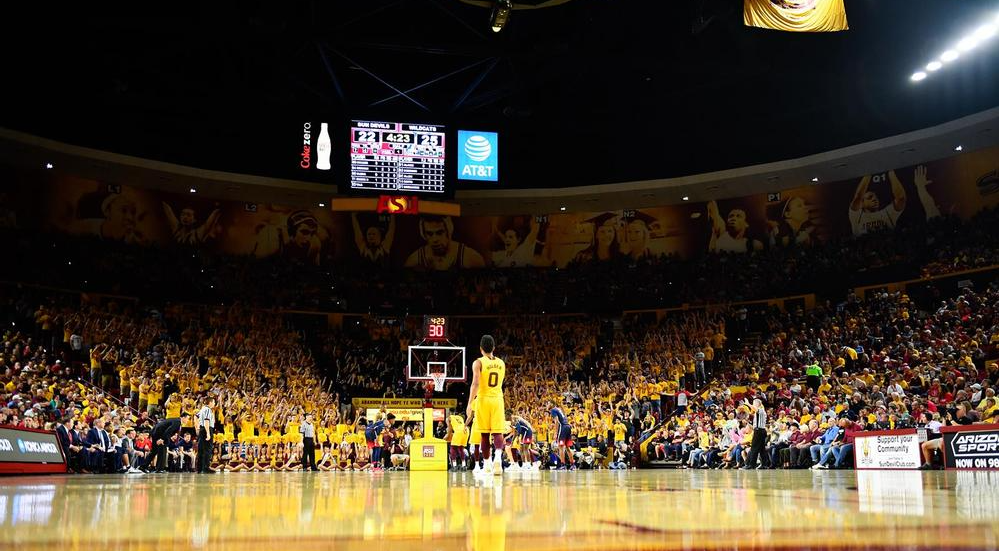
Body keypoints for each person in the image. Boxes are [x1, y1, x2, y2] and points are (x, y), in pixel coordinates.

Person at [466, 334, 506, 475]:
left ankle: (487, 464)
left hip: (483, 399)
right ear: (494, 348)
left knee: (484, 434)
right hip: (497, 399)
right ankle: (498, 459)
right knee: (498, 432)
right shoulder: (501, 363)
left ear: (481, 348)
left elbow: (475, 383)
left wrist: (470, 402)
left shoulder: (478, 362)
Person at [405, 216, 485, 270]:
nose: (435, 239)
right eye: (429, 234)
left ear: (449, 232)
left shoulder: (471, 258)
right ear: (424, 234)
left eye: (440, 233)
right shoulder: (414, 260)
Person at [849, 171, 906, 236]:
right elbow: (858, 197)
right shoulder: (857, 216)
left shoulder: (887, 213)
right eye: (870, 197)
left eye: (875, 197)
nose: (874, 199)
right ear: (862, 204)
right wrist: (869, 172)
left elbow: (901, 198)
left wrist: (891, 172)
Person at [743, 399, 768, 469]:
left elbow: (754, 409)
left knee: (754, 448)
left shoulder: (761, 409)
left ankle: (751, 465)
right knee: (762, 449)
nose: (753, 405)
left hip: (759, 431)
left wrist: (748, 404)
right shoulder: (759, 411)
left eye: (754, 403)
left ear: (757, 404)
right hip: (760, 431)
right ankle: (764, 465)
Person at [196, 396, 216, 473]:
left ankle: (199, 468)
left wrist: (197, 427)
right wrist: (208, 433)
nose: (214, 403)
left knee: (201, 449)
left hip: (202, 429)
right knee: (207, 449)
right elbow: (206, 421)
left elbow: (196, 416)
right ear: (210, 402)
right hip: (206, 429)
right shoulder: (208, 409)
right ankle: (206, 468)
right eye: (213, 402)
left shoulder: (202, 409)